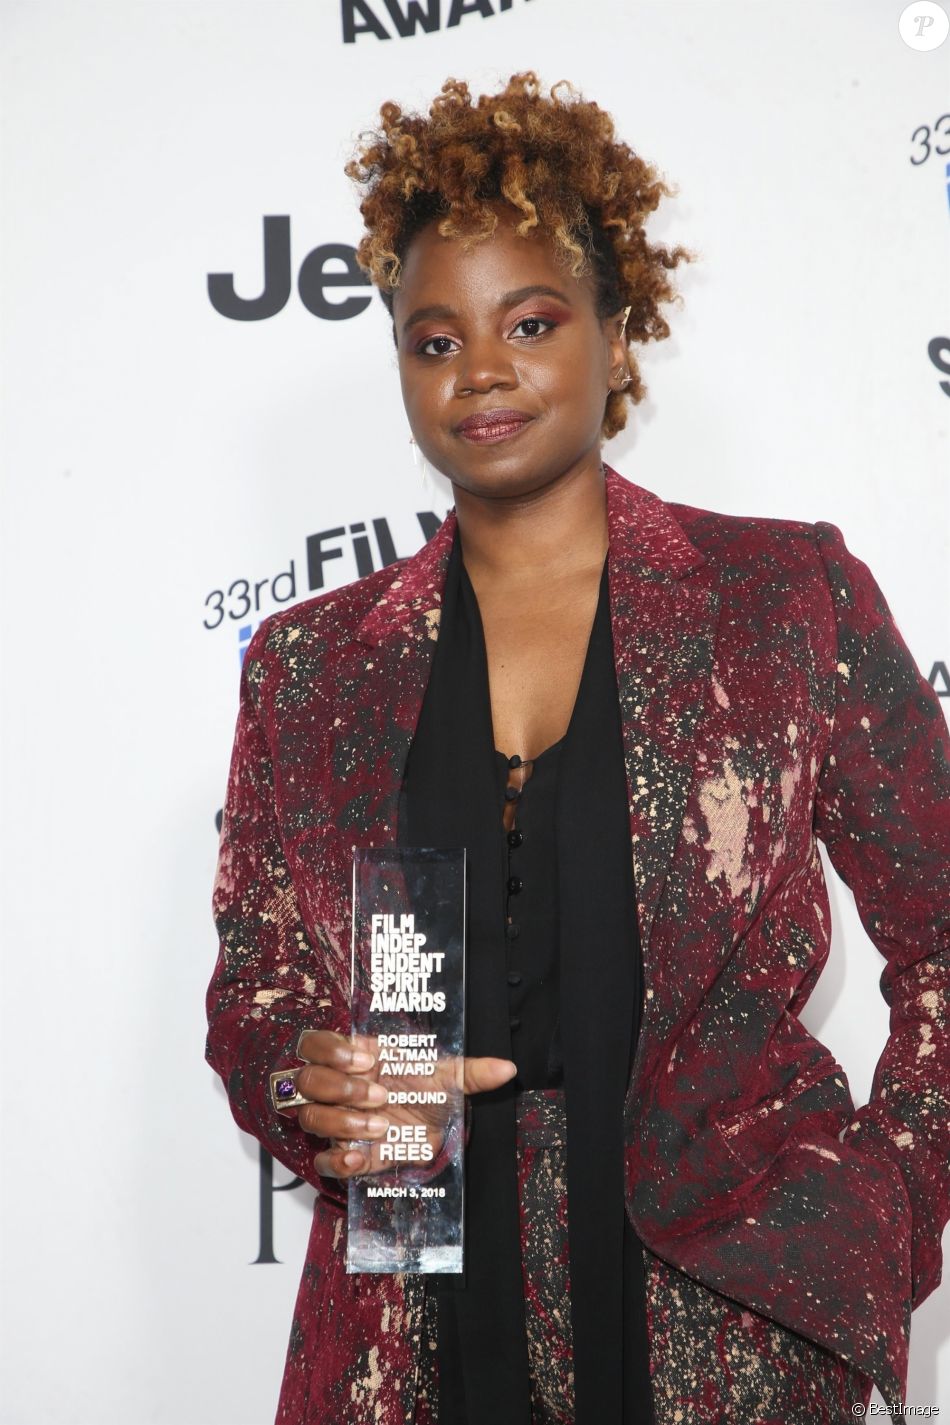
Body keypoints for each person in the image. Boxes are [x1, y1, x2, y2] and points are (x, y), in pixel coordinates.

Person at [205, 72, 950, 1425]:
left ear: (618, 337)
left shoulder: (778, 599)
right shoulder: (313, 666)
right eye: (432, 341)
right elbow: (255, 984)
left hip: (727, 1311)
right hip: (408, 1319)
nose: (478, 369)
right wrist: (304, 1081)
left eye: (529, 322)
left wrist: (881, 1204)